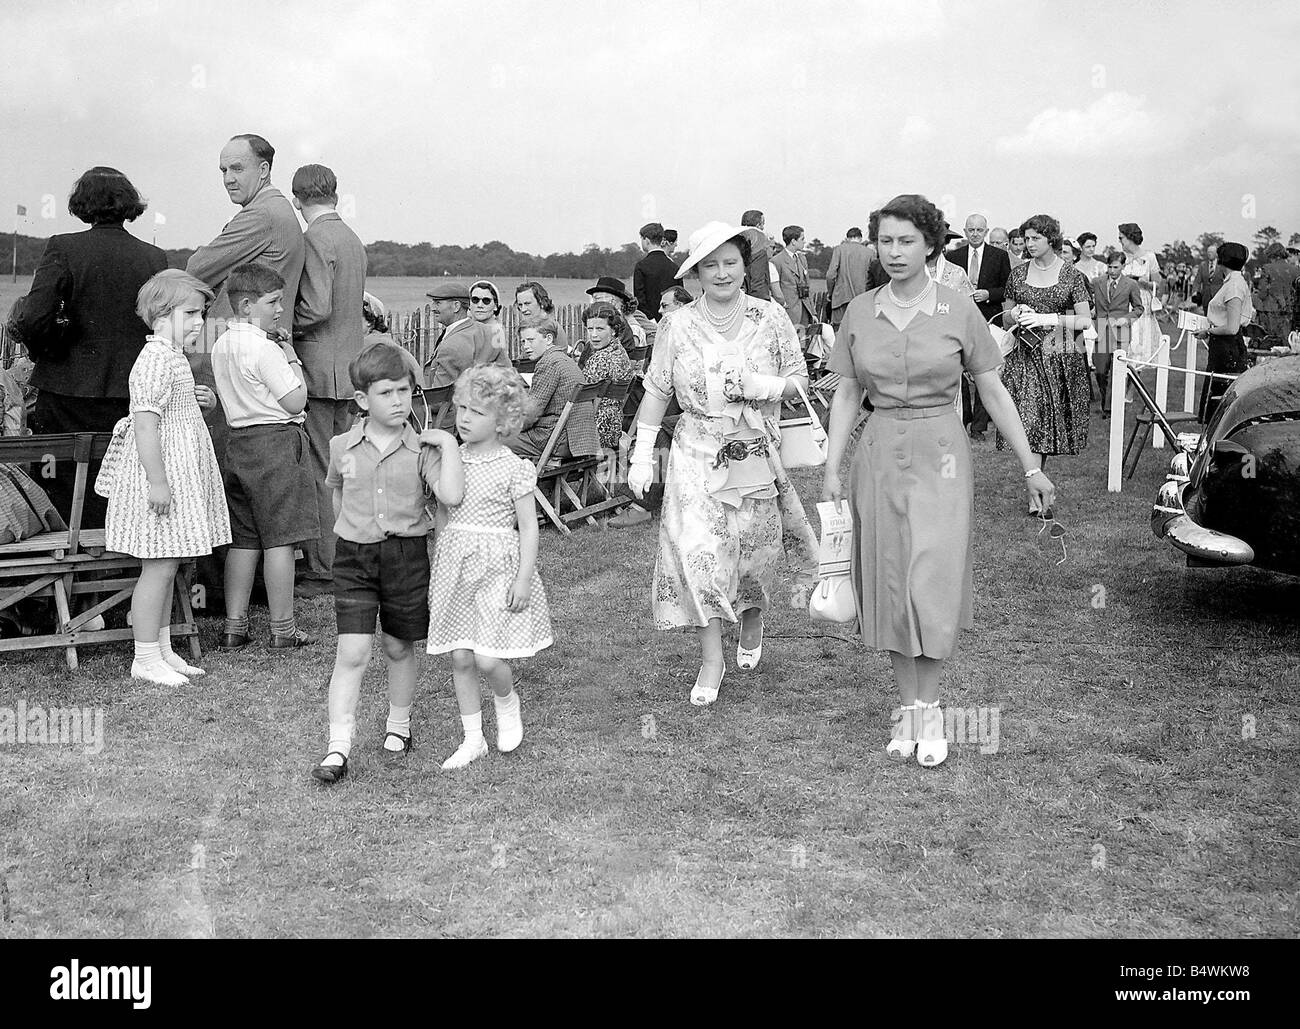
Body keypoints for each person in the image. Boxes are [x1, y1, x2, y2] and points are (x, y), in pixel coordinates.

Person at [821, 194, 1055, 769]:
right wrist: (831, 464)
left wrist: (1030, 465)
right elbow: (848, 391)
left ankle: (930, 705)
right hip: (878, 455)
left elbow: (993, 389)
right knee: (892, 581)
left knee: (932, 579)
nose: (894, 252)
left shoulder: (957, 309)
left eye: (907, 240)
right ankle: (911, 709)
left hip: (942, 454)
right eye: (885, 241)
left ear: (931, 244)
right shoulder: (858, 311)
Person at [627, 222, 818, 707]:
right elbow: (656, 389)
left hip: (754, 449)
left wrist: (764, 386)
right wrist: (642, 453)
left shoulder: (770, 317)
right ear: (695, 274)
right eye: (709, 265)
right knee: (700, 552)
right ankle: (711, 657)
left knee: (752, 553)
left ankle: (751, 616)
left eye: (729, 262)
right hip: (695, 452)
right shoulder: (677, 324)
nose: (721, 273)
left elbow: (801, 382)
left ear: (743, 265)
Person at [311, 343, 464, 785]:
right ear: (362, 400)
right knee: (352, 651)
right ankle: (338, 746)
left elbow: (451, 495)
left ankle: (399, 726)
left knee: (399, 646)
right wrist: (356, 527)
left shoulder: (423, 449)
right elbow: (337, 492)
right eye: (387, 393)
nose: (399, 401)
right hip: (355, 558)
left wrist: (448, 444)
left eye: (405, 391)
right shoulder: (343, 445)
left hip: (406, 557)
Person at [8, 166, 167, 525]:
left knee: (63, 480)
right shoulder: (154, 258)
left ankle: (73, 562)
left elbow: (33, 318)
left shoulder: (63, 247)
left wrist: (47, 352)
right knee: (127, 480)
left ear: (83, 203)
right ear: (128, 202)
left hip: (66, 388)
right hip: (133, 391)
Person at [97, 270, 230, 685]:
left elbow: (171, 412)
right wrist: (157, 481)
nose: (199, 322)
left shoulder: (172, 357)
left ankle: (163, 649)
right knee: (156, 567)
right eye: (190, 313)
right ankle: (144, 657)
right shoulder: (154, 358)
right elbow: (145, 424)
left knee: (168, 564)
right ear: (160, 314)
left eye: (201, 313)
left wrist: (198, 403)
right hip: (159, 477)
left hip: (175, 473)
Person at [429, 365, 553, 769]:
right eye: (461, 408)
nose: (464, 418)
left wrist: (522, 578)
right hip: (456, 566)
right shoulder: (451, 461)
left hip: (497, 567)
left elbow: (529, 528)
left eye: (477, 412)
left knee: (487, 657)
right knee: (461, 656)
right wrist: (440, 563)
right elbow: (444, 516)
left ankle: (506, 700)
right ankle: (472, 738)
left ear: (501, 421)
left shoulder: (513, 466)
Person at [209, 264, 319, 650]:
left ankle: (234, 626)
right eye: (273, 302)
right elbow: (296, 399)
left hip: (237, 443)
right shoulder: (266, 349)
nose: (279, 309)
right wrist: (289, 354)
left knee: (244, 540)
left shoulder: (222, 344)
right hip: (274, 443)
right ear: (245, 305)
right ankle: (283, 628)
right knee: (280, 541)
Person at [290, 163, 367, 593]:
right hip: (349, 371)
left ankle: (324, 568)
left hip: (321, 374)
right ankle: (345, 559)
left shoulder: (315, 238)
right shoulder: (352, 238)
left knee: (323, 468)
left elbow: (316, 308)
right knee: (346, 469)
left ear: (299, 199)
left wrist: (285, 326)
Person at [1000, 215, 1094, 511]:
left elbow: (1084, 319)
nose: (1029, 244)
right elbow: (1005, 315)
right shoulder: (1017, 275)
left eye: (1035, 239)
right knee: (1028, 420)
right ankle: (1035, 491)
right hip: (1024, 355)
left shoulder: (1071, 275)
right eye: (1026, 239)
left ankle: (1036, 490)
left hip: (1059, 356)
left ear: (1051, 239)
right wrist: (1015, 315)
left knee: (1046, 422)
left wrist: (1048, 318)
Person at [186, 134, 305, 348]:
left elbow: (196, 269)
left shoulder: (262, 213)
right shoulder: (275, 208)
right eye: (224, 170)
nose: (228, 179)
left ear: (263, 170)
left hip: (235, 350)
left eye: (237, 169)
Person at [949, 214, 1011, 439]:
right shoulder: (954, 257)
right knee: (958, 371)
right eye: (971, 230)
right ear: (965, 232)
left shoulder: (999, 256)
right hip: (960, 321)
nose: (975, 234)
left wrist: (989, 294)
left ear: (986, 232)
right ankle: (962, 419)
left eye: (979, 230)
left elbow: (1007, 288)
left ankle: (979, 427)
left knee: (986, 372)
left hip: (989, 319)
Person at [505, 318, 598, 459]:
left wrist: (507, 427)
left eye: (531, 340)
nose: (525, 346)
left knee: (493, 440)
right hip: (579, 442)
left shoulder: (549, 363)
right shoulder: (565, 359)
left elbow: (531, 413)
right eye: (523, 341)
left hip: (556, 441)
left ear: (548, 339)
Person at [1194, 242, 1254, 423]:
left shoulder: (1234, 285)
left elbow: (1232, 327)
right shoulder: (1232, 282)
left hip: (1227, 347)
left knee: (1221, 401)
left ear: (1222, 261)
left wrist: (1209, 330)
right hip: (1222, 345)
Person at [423, 282, 512, 388]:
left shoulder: (450, 346)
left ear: (456, 306)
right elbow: (509, 377)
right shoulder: (490, 333)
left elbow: (439, 399)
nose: (433, 308)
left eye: (438, 303)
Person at [1091, 251, 1145, 417]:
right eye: (1110, 267)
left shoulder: (1130, 285)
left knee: (1116, 371)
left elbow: (1138, 308)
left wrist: (1126, 319)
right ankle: (1107, 402)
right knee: (1100, 370)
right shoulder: (1097, 282)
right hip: (1101, 330)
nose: (1112, 270)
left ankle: (1109, 408)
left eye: (1116, 267)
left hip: (1121, 332)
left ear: (1123, 266)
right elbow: (1089, 302)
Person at [578, 302, 634, 450]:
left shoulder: (600, 359)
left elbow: (579, 401)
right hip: (613, 428)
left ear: (614, 330)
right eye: (590, 329)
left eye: (600, 329)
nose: (594, 335)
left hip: (592, 432)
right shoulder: (620, 352)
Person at [1119, 223, 1163, 364]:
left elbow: (1158, 284)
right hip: (1123, 302)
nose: (1119, 241)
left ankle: (1135, 379)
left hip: (1141, 301)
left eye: (1121, 238)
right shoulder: (1120, 257)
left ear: (1130, 238)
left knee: (1140, 341)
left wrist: (1143, 283)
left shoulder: (1149, 257)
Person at [825, 227, 874, 328]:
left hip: (840, 298)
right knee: (860, 331)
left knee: (838, 333)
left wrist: (830, 293)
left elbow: (830, 275)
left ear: (847, 238)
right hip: (862, 299)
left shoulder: (839, 250)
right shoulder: (870, 253)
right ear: (860, 239)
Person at [772, 225, 816, 330]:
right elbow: (775, 291)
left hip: (805, 312)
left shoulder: (802, 259)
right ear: (793, 241)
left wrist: (813, 312)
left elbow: (807, 286)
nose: (805, 242)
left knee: (804, 344)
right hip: (788, 314)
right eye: (802, 239)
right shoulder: (776, 261)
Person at [633, 223, 679, 321]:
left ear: (646, 240)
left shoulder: (641, 266)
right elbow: (680, 297)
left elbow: (639, 299)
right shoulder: (674, 267)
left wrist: (650, 319)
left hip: (649, 321)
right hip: (672, 319)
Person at [586, 276, 648, 349]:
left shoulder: (632, 330)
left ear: (612, 301)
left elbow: (623, 357)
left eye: (596, 298)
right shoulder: (614, 327)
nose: (592, 303)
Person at [1253, 243, 1299, 339]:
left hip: (1271, 312)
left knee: (1272, 342)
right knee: (1287, 341)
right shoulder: (1295, 270)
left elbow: (1262, 294)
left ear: (1272, 255)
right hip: (1290, 312)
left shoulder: (1267, 268)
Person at [513, 281, 566, 348]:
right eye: (520, 305)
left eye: (527, 304)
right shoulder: (537, 324)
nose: (523, 309)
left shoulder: (547, 326)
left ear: (541, 302)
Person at [739, 210, 774, 299]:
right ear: (758, 226)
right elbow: (758, 286)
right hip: (754, 304)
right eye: (763, 224)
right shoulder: (758, 252)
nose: (763, 228)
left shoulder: (734, 248)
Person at [469, 280, 509, 355]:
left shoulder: (496, 332)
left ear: (496, 306)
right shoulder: (468, 328)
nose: (480, 305)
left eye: (486, 301)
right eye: (475, 300)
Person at [1190, 244, 1225, 309]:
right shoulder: (1203, 265)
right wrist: (1195, 292)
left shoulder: (1222, 265)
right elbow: (1197, 281)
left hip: (1218, 297)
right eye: (1208, 252)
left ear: (1216, 254)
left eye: (1211, 252)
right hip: (1206, 297)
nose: (1209, 254)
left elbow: (1226, 280)